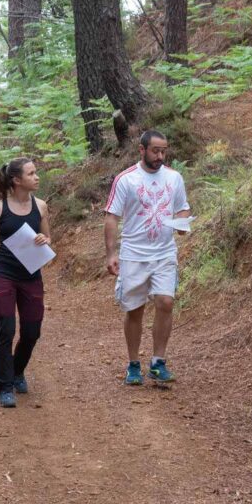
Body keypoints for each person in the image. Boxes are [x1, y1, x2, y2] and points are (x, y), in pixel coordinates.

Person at [104, 130, 190, 386]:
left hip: (164, 252)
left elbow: (182, 206)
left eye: (164, 151)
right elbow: (111, 217)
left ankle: (158, 362)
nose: (160, 156)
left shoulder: (174, 178)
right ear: (141, 150)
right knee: (135, 309)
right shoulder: (126, 180)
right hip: (134, 254)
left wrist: (183, 221)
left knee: (165, 302)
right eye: (155, 151)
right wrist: (111, 253)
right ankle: (133, 364)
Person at [0, 158, 52, 408]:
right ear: (17, 180)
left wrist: (43, 239)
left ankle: (17, 371)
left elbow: (49, 237)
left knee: (32, 331)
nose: (37, 177)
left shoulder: (41, 206)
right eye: (31, 173)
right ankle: (5, 385)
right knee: (5, 328)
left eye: (36, 173)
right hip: (4, 274)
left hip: (31, 275)